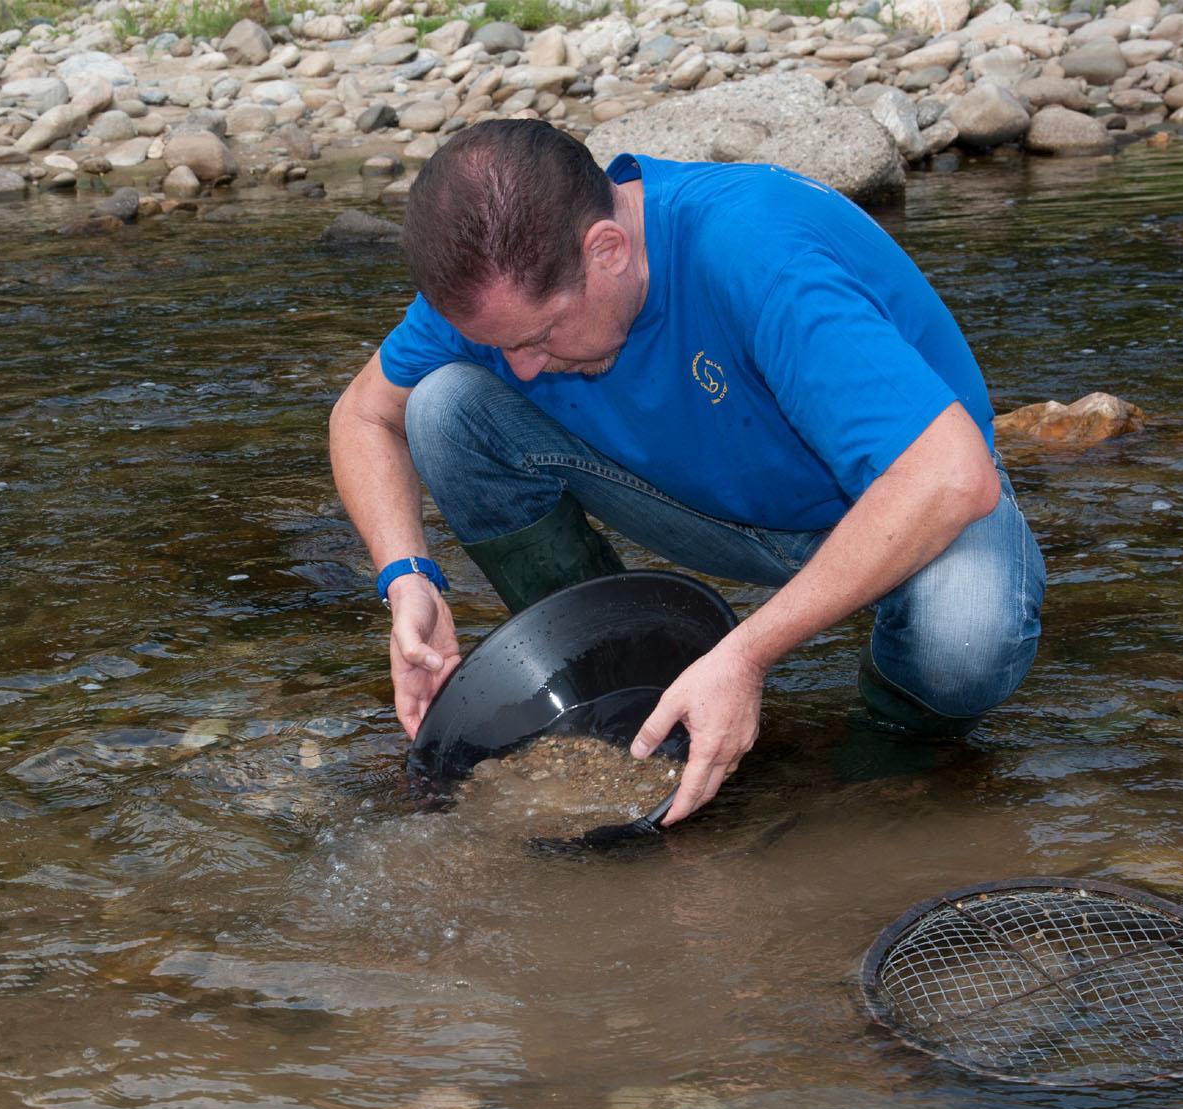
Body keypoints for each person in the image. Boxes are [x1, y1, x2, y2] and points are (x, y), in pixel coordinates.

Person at [328, 118, 1045, 827]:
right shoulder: (502, 287)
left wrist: (746, 656)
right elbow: (362, 417)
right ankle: (623, 693)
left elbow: (951, 476)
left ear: (607, 249)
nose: (521, 366)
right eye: (501, 344)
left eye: (540, 336)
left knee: (966, 632)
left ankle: (886, 760)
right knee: (444, 406)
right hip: (713, 509)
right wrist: (407, 579)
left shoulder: (754, 252)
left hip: (899, 508)